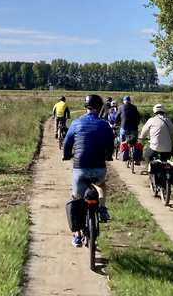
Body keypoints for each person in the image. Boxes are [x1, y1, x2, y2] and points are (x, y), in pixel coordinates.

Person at [62, 94, 114, 248]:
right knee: (102, 185)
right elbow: (110, 143)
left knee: (76, 199)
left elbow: (67, 142)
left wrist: (66, 155)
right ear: (99, 109)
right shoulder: (104, 125)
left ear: (86, 108)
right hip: (99, 169)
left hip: (80, 168)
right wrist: (109, 156)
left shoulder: (76, 123)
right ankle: (103, 208)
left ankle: (77, 236)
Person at [140, 103, 173, 170]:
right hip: (167, 148)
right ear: (163, 111)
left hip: (154, 147)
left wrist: (142, 138)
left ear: (154, 111)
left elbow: (144, 132)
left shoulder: (151, 120)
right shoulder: (168, 120)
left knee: (147, 155)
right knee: (165, 160)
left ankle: (149, 169)